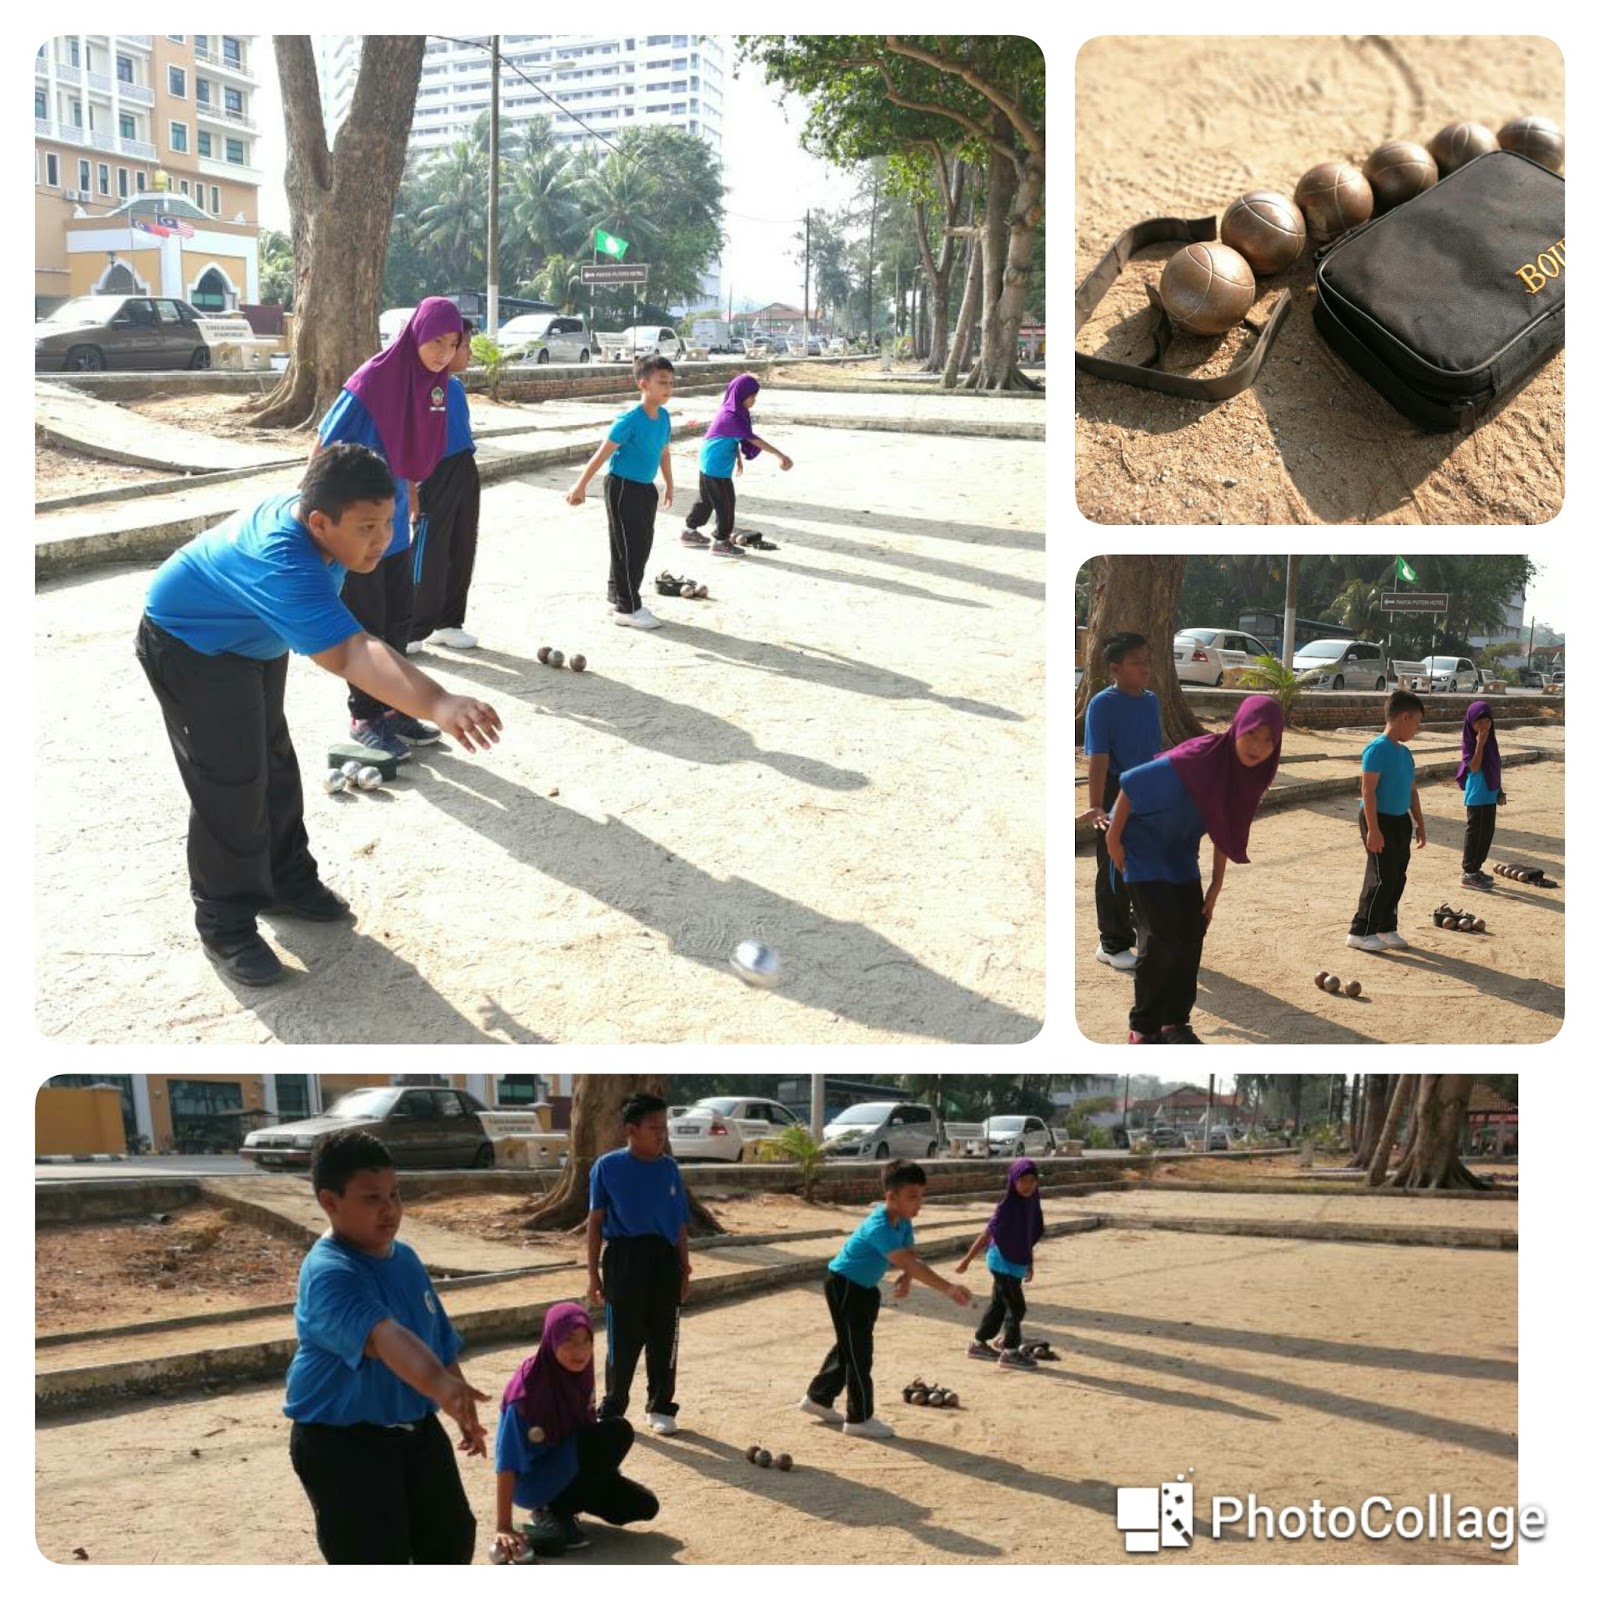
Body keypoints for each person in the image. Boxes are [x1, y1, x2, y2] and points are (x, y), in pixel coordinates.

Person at [136, 444, 503, 986]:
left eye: (389, 521)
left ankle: (286, 881)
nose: (381, 539)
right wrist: (438, 702)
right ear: (318, 521)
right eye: (367, 527)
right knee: (230, 784)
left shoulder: (327, 524)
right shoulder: (284, 560)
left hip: (252, 642)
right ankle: (225, 921)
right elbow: (352, 652)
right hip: (191, 645)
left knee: (273, 765)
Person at [284, 1129, 488, 1564]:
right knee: (377, 1557)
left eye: (395, 1195)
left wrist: (459, 1401)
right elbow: (386, 1337)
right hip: (342, 1442)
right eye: (372, 1198)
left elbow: (438, 1340)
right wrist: (441, 1386)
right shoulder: (330, 1273)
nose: (390, 1209)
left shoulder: (407, 1259)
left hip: (414, 1430)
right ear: (330, 1202)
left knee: (450, 1540)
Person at [315, 296, 466, 760]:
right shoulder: (374, 380)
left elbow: (411, 458)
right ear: (415, 334)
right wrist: (316, 520)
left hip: (394, 525)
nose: (442, 352)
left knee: (399, 619)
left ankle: (397, 707)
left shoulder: (432, 386)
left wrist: (414, 503)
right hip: (356, 528)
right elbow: (323, 442)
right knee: (367, 624)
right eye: (435, 341)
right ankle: (365, 714)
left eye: (451, 343)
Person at [1105, 694, 1284, 1043]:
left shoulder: (1248, 776)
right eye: (1252, 734)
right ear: (1236, 729)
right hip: (1141, 847)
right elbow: (1132, 783)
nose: (1258, 746)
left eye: (1268, 740)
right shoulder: (1197, 758)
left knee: (1191, 934)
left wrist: (1216, 885)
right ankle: (1143, 1030)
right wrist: (1113, 839)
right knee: (1163, 938)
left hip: (1180, 856)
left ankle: (1174, 1023)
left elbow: (1223, 828)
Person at [799, 1159, 973, 1440]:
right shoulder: (878, 1225)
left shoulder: (902, 1221)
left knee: (850, 1348)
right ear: (891, 1196)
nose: (920, 1203)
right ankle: (859, 1418)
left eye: (922, 1195)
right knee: (859, 1353)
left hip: (865, 1289)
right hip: (844, 1285)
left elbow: (909, 1255)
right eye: (913, 1196)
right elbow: (907, 1260)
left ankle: (818, 1398)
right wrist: (948, 1288)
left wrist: (906, 1278)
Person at [493, 1301, 659, 1562]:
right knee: (618, 1432)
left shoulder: (578, 1373)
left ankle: (561, 1511)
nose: (579, 1351)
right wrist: (503, 1525)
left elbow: (585, 1429)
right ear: (551, 1340)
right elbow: (506, 1463)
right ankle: (551, 1512)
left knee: (644, 1507)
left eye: (585, 1340)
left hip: (568, 1465)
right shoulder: (526, 1394)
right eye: (568, 1340)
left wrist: (606, 1471)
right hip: (533, 1482)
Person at [585, 1093, 690, 1434]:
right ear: (631, 1130)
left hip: (664, 1259)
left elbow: (679, 1226)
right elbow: (595, 1222)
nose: (661, 1135)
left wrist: (684, 1268)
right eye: (653, 1128)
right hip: (624, 1258)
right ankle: (613, 1406)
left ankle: (660, 1405)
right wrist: (592, 1275)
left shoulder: (670, 1169)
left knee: (664, 1335)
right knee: (623, 1339)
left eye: (664, 1128)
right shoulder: (608, 1167)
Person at [566, 355, 675, 629]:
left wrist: (669, 484)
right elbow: (601, 455)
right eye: (662, 382)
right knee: (629, 547)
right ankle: (628, 608)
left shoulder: (664, 418)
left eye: (671, 383)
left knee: (641, 544)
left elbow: (664, 452)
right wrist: (580, 485)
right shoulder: (629, 420)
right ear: (643, 384)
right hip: (622, 487)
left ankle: (617, 595)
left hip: (645, 488)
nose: (668, 388)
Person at [1079, 632, 1163, 972]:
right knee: (1114, 865)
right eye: (1136, 662)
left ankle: (1140, 931)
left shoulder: (1151, 701)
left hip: (1146, 789)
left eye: (1146, 661)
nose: (1145, 668)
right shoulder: (1102, 704)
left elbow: (1152, 750)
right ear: (1115, 668)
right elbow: (1098, 758)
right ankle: (1111, 943)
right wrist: (1096, 804)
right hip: (1115, 792)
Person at [410, 320, 482, 653]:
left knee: (463, 546)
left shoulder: (455, 387)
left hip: (464, 468)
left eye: (462, 345)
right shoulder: (422, 386)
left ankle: (449, 621)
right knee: (430, 551)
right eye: (462, 346)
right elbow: (410, 441)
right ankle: (412, 626)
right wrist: (412, 493)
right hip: (434, 475)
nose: (466, 352)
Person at [1345, 689, 1427, 953]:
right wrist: (1373, 829)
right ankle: (1361, 930)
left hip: (1400, 820)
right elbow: (1367, 790)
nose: (1416, 729)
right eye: (1416, 722)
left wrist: (1419, 822)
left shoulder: (1405, 754)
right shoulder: (1377, 749)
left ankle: (1386, 926)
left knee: (1397, 876)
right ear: (1404, 717)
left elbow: (1411, 790)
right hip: (1377, 819)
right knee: (1381, 877)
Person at [680, 373, 792, 557]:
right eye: (752, 396)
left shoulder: (733, 412)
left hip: (710, 462)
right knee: (726, 504)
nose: (754, 400)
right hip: (715, 466)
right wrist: (780, 455)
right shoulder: (730, 416)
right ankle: (721, 542)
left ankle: (688, 532)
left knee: (706, 499)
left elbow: (731, 438)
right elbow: (753, 439)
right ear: (741, 395)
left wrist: (738, 457)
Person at [956, 1158, 1046, 1367]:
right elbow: (987, 1233)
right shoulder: (1006, 1207)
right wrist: (967, 1259)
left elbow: (1027, 1237)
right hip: (1001, 1261)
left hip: (1016, 1263)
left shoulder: (1031, 1205)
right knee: (1016, 1308)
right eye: (1023, 1180)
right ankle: (1010, 1352)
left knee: (998, 1306)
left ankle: (978, 1343)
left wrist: (1029, 1263)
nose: (1028, 1185)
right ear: (1013, 1181)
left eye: (1033, 1180)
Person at [1457, 699, 1506, 891]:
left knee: (1487, 834)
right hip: (1477, 795)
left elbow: (1495, 768)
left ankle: (1476, 869)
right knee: (1476, 834)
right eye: (1479, 722)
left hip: (1490, 794)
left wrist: (1499, 791)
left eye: (1487, 721)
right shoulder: (1470, 743)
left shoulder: (1492, 742)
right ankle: (1468, 873)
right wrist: (1480, 746)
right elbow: (1475, 766)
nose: (1484, 726)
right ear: (1471, 724)